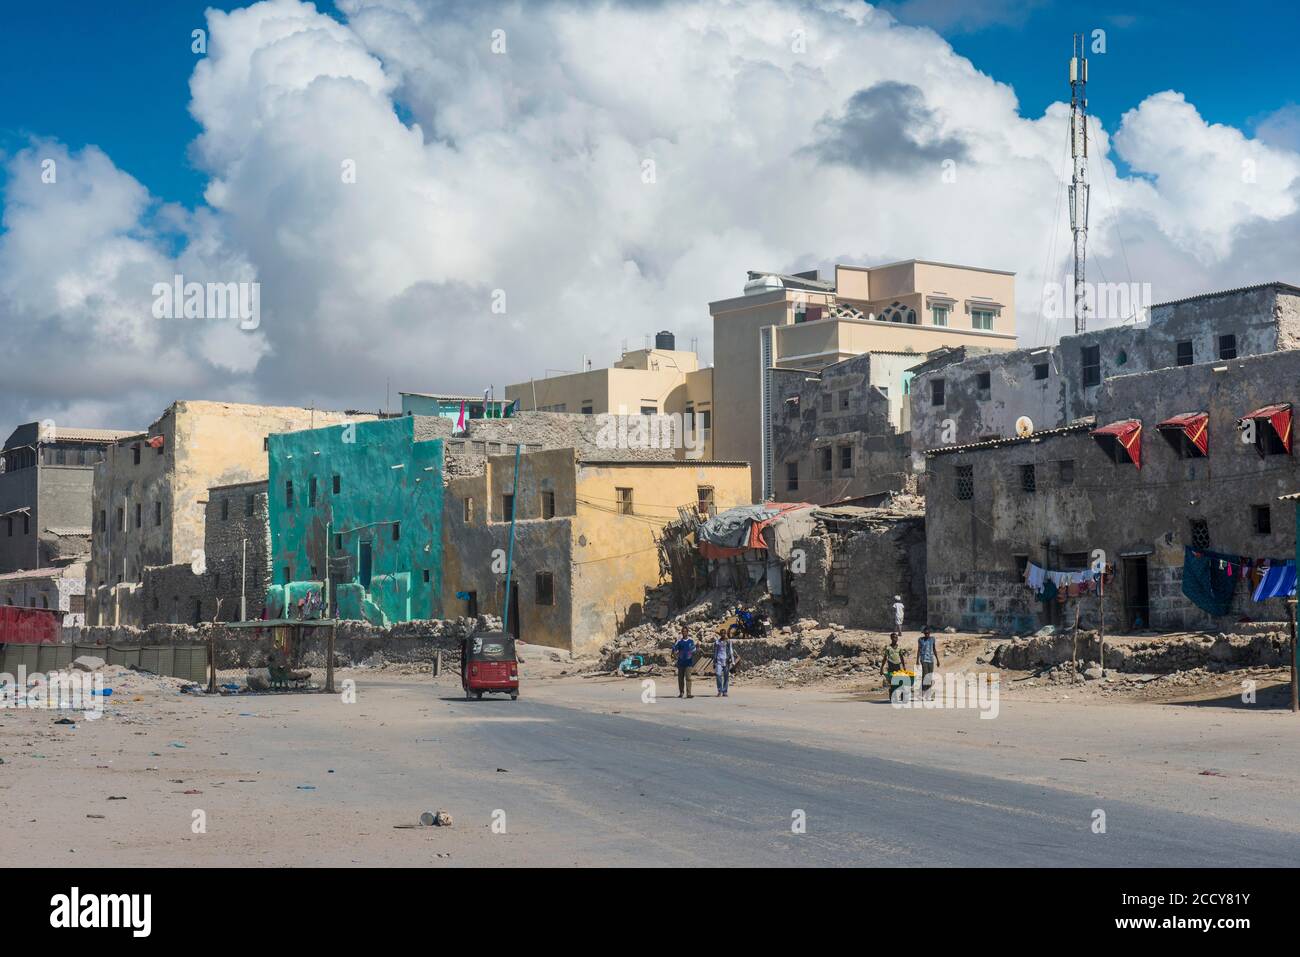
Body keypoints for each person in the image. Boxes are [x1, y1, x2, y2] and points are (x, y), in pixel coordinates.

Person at [916, 625, 941, 700]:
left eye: (928, 633)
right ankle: (922, 692)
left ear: (930, 633)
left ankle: (928, 694)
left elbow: (934, 649)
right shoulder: (920, 640)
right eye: (925, 633)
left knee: (929, 676)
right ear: (923, 633)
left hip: (931, 659)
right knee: (925, 675)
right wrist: (917, 660)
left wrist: (937, 660)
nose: (926, 634)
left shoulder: (932, 639)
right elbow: (919, 650)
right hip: (923, 659)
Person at [671, 624, 696, 699]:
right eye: (683, 632)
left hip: (688, 663)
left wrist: (695, 649)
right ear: (682, 633)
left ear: (687, 632)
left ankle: (689, 693)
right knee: (680, 679)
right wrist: (674, 652)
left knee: (688, 678)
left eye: (685, 631)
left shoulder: (691, 641)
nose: (684, 633)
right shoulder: (679, 641)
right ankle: (681, 692)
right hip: (681, 662)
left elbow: (693, 650)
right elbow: (675, 650)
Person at [714, 632, 737, 697]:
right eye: (722, 633)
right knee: (718, 675)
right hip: (719, 661)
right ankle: (719, 690)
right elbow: (715, 652)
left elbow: (731, 651)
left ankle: (725, 691)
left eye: (724, 633)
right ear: (720, 634)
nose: (723, 634)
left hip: (726, 661)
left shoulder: (728, 642)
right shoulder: (717, 642)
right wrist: (714, 662)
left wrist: (733, 661)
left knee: (726, 676)